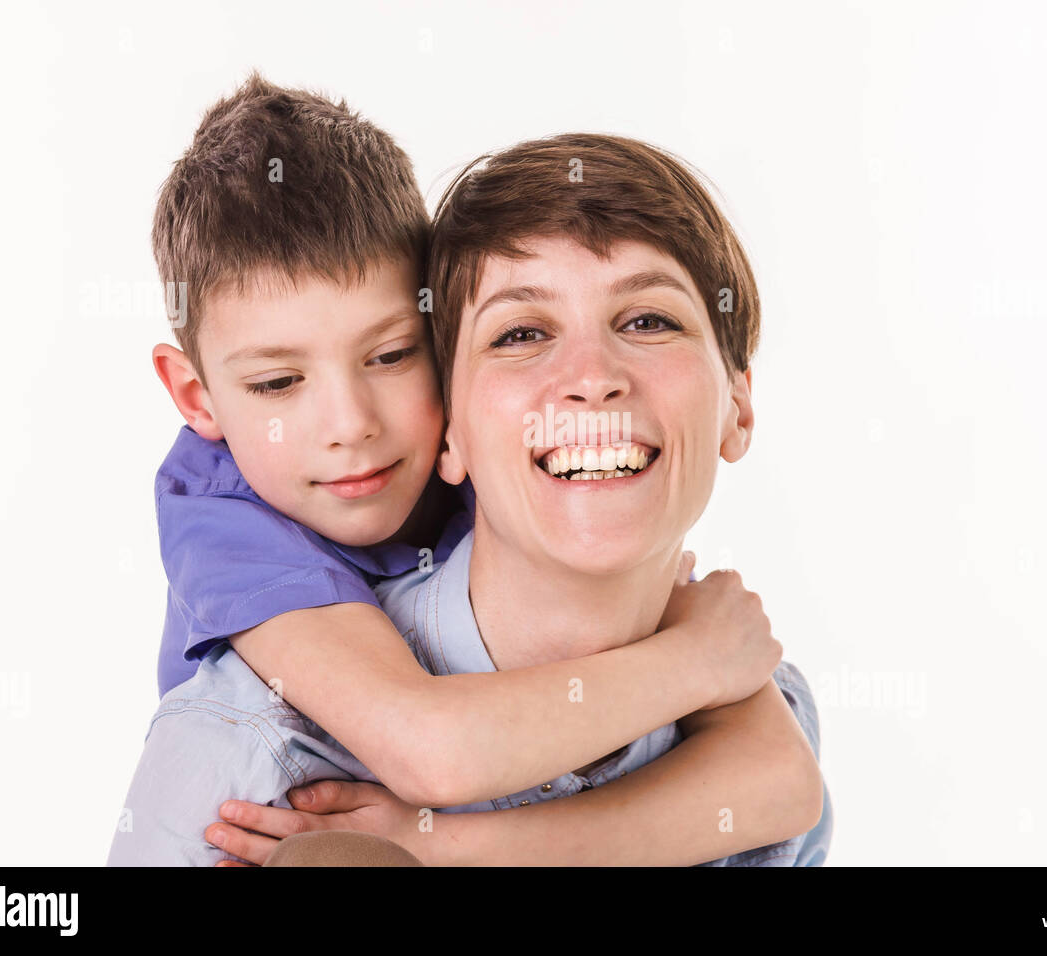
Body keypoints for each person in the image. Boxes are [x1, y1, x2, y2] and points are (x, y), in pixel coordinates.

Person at [108, 74, 828, 865]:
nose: (351, 426)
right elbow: (429, 746)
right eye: (520, 333)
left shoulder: (752, 707)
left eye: (390, 357)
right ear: (459, 420)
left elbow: (782, 783)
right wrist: (697, 661)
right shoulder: (230, 574)